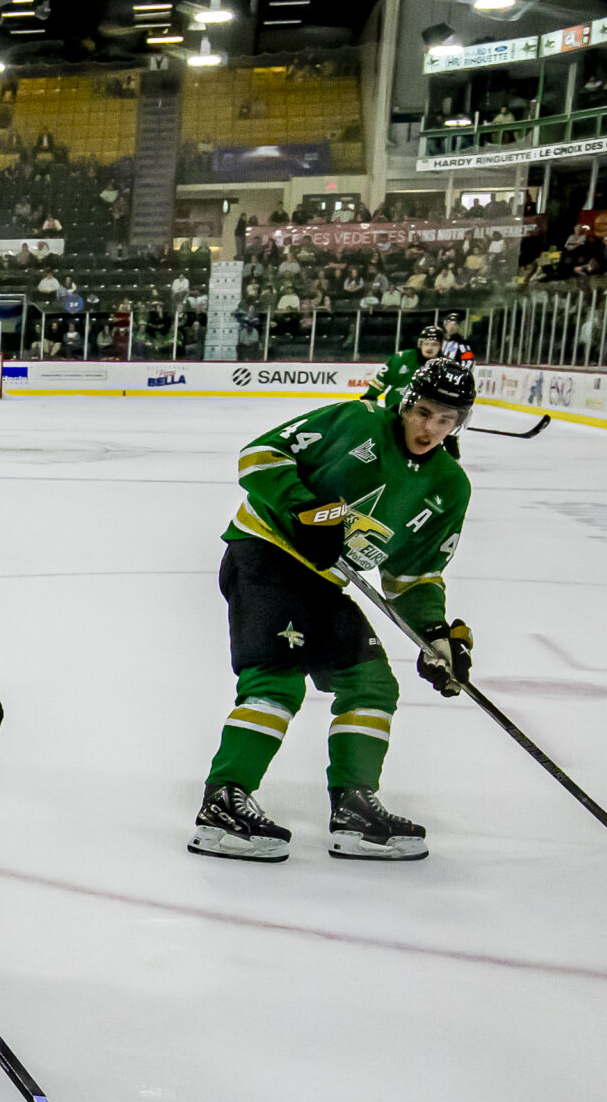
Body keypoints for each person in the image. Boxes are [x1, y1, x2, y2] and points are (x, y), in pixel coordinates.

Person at [191, 357, 478, 863]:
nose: (430, 428)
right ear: (407, 402)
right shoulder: (358, 421)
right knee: (277, 677)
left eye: (445, 420)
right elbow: (260, 455)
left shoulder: (449, 486)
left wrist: (434, 633)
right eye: (424, 412)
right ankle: (224, 800)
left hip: (325, 582)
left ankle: (354, 804)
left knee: (371, 683)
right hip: (265, 553)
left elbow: (413, 576)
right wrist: (302, 508)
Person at [362, 324, 444, 409]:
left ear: (440, 346)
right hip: (395, 411)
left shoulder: (445, 367)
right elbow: (379, 381)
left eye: (434, 344)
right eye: (426, 344)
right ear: (420, 344)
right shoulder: (401, 359)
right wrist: (369, 399)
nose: (429, 348)